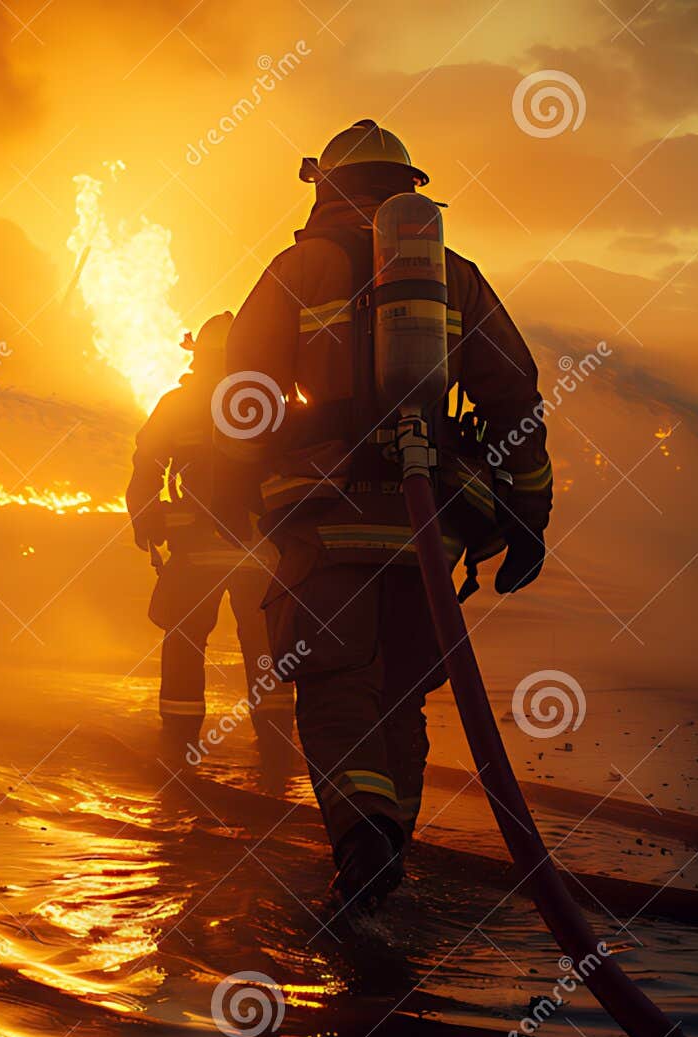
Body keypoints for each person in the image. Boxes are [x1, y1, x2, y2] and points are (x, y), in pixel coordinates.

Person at [218, 120, 553, 910]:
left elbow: (241, 394)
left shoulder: (299, 268)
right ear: (406, 189)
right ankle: (390, 848)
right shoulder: (454, 276)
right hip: (429, 530)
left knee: (337, 684)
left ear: (327, 189)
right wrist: (529, 513)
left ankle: (365, 838)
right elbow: (515, 397)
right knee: (402, 698)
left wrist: (239, 489)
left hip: (328, 523)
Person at [126, 312, 293, 749]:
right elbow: (293, 466)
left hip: (197, 550)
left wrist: (146, 518)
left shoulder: (178, 405)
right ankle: (274, 736)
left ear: (197, 356)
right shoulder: (267, 399)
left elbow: (146, 465)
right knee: (264, 643)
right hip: (258, 551)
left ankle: (179, 738)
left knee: (185, 639)